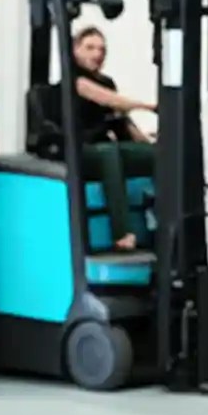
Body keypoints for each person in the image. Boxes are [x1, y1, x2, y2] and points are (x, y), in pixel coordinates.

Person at [71, 26, 155, 251]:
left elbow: (121, 121)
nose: (97, 54)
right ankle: (121, 234)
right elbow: (109, 100)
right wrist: (150, 106)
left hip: (105, 151)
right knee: (108, 151)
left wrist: (149, 142)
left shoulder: (107, 82)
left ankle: (162, 224)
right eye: (89, 48)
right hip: (79, 152)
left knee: (160, 154)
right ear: (75, 50)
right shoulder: (76, 80)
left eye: (101, 49)